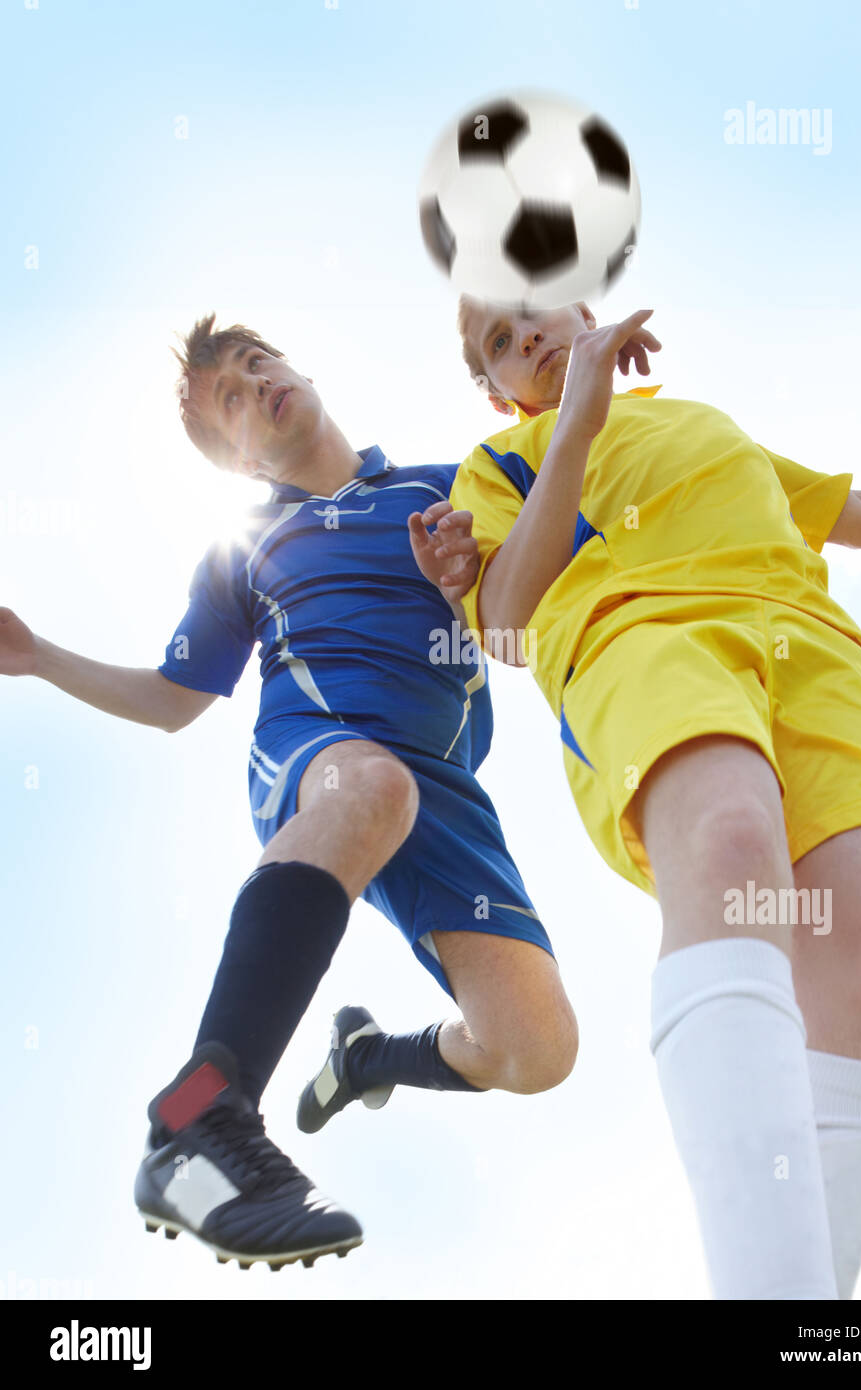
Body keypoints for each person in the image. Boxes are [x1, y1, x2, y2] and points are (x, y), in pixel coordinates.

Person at [0, 310, 611, 1270]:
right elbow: (173, 700)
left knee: (537, 1050)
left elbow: (519, 623)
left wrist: (463, 585)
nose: (254, 387)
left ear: (299, 366)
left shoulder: (451, 484)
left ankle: (366, 1058)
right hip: (316, 753)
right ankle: (199, 1116)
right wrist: (37, 657)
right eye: (229, 400)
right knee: (372, 784)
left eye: (257, 365)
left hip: (441, 787)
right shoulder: (248, 544)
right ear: (235, 462)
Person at [436, 295, 861, 1299]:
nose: (526, 334)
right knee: (724, 841)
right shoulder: (498, 465)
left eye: (533, 311)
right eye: (499, 341)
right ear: (494, 388)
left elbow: (852, 512)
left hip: (811, 652)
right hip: (645, 637)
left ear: (583, 308)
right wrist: (575, 417)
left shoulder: (706, 424)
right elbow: (500, 623)